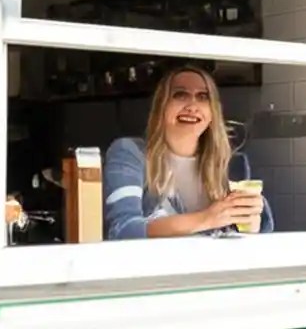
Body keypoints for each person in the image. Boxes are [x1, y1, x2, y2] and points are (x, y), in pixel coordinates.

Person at [103, 64, 273, 240]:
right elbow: (122, 230)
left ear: (212, 112)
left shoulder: (231, 165)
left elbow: (257, 235)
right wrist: (207, 219)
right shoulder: (130, 153)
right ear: (162, 106)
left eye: (203, 97)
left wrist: (252, 226)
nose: (192, 106)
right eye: (180, 95)